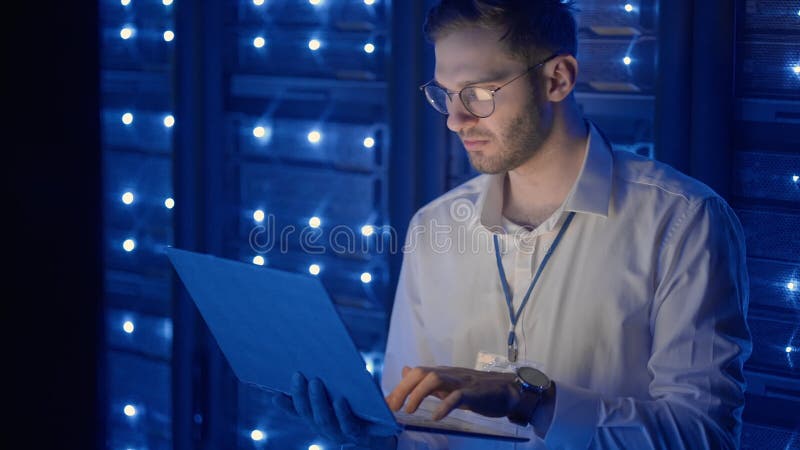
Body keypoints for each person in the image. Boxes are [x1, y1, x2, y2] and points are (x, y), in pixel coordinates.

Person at [273, 1, 752, 448]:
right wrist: (376, 440)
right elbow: (418, 429)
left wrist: (530, 399)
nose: (455, 120)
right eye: (445, 94)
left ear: (557, 79)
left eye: (478, 93)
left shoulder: (682, 222)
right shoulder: (433, 226)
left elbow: (702, 433)